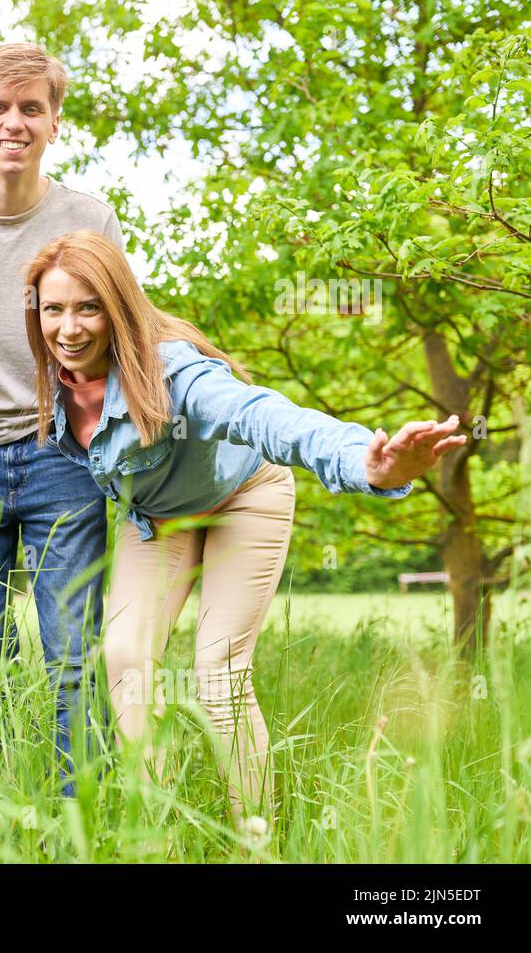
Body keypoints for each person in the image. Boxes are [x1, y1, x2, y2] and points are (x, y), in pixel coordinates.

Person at [23, 230, 466, 820]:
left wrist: (366, 461)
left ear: (118, 307)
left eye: (88, 307)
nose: (69, 328)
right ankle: (151, 829)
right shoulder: (56, 385)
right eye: (53, 309)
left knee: (217, 674)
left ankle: (254, 837)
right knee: (125, 657)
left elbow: (262, 416)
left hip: (243, 497)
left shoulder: (175, 371)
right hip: (160, 517)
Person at [0, 44, 124, 795]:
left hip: (61, 457)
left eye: (31, 108)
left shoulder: (87, 216)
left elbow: (124, 332)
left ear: (54, 122)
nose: (15, 121)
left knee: (74, 652)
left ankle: (83, 814)